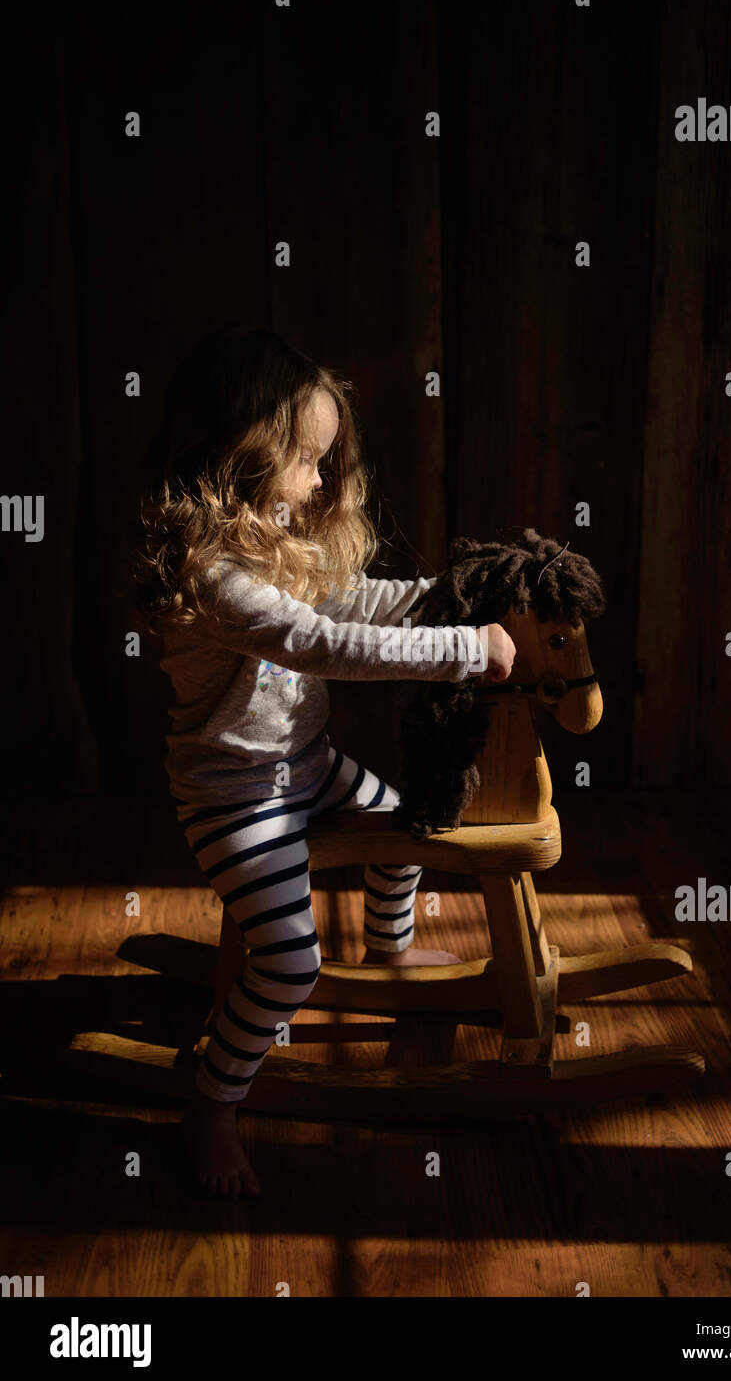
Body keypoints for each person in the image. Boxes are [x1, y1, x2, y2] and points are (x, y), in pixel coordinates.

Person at [133, 326, 516, 1200]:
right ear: (241, 454)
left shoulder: (270, 540)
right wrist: (461, 648)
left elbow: (346, 599)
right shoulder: (211, 574)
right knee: (291, 966)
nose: (318, 481)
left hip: (307, 768)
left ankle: (389, 951)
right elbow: (317, 641)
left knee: (405, 825)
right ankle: (214, 1101)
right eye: (306, 461)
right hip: (235, 803)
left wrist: (447, 597)